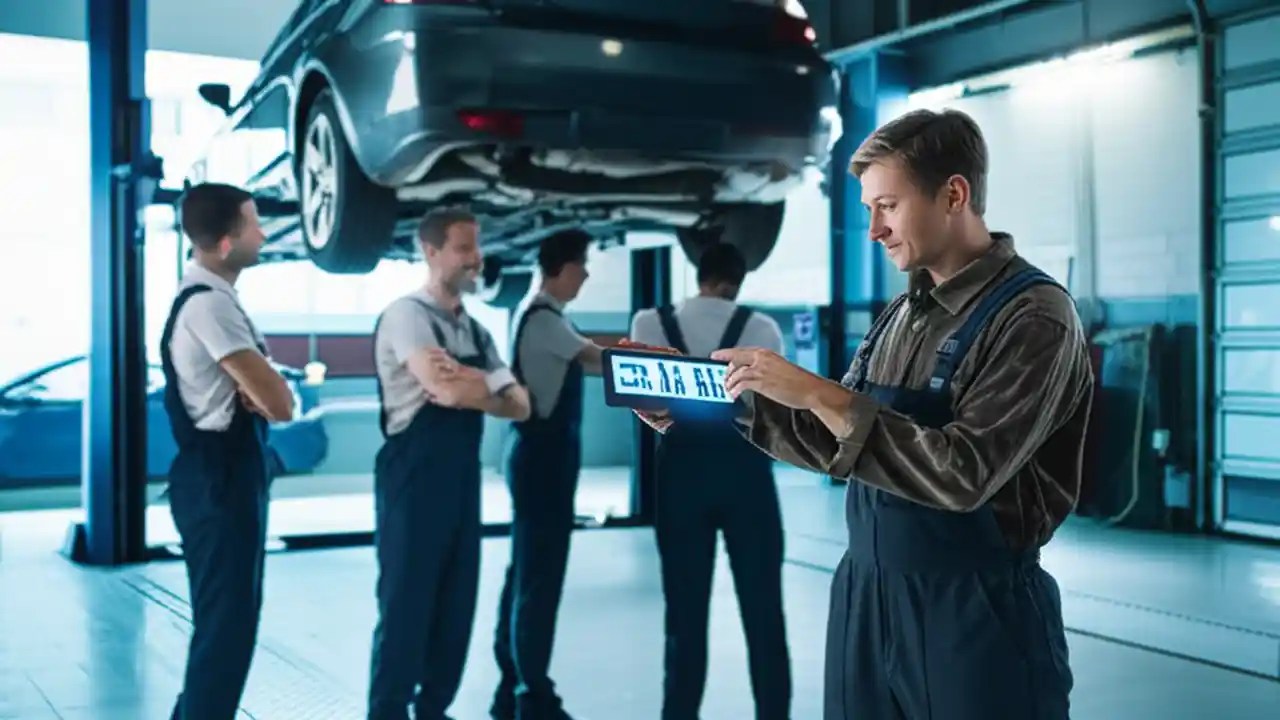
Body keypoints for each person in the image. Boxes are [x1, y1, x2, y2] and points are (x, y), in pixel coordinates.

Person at [660, 109, 1092, 720]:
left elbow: (962, 472)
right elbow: (834, 440)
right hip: (866, 594)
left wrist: (817, 392)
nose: (874, 230)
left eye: (887, 205)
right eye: (868, 210)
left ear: (954, 194)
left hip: (974, 610)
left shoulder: (1033, 317)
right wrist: (707, 404)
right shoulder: (901, 313)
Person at [367, 208, 532, 720]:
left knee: (456, 604)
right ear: (431, 251)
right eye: (463, 248)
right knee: (406, 605)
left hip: (461, 481)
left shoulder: (478, 331)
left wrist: (469, 386)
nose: (475, 259)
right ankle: (389, 712)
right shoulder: (407, 316)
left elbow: (522, 404)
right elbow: (442, 388)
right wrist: (483, 388)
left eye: (476, 249)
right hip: (411, 478)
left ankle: (434, 710)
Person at [629, 242, 792, 720]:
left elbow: (643, 398)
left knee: (683, 617)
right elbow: (771, 409)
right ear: (737, 282)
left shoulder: (648, 323)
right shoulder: (760, 330)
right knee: (764, 612)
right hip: (746, 473)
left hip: (679, 473)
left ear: (699, 275)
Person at [161, 182, 296, 720]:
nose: (263, 233)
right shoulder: (210, 308)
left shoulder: (214, 300)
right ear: (224, 242)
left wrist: (264, 388)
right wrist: (265, 389)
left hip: (225, 477)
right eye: (253, 223)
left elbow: (269, 392)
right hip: (218, 483)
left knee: (226, 626)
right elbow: (280, 403)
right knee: (226, 629)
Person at [490, 229, 604, 720]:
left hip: (539, 460)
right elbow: (597, 360)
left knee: (526, 571)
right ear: (561, 268)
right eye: (582, 264)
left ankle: (512, 683)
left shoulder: (544, 316)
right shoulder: (543, 318)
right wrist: (660, 365)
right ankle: (533, 694)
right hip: (543, 463)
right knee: (540, 576)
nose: (587, 274)